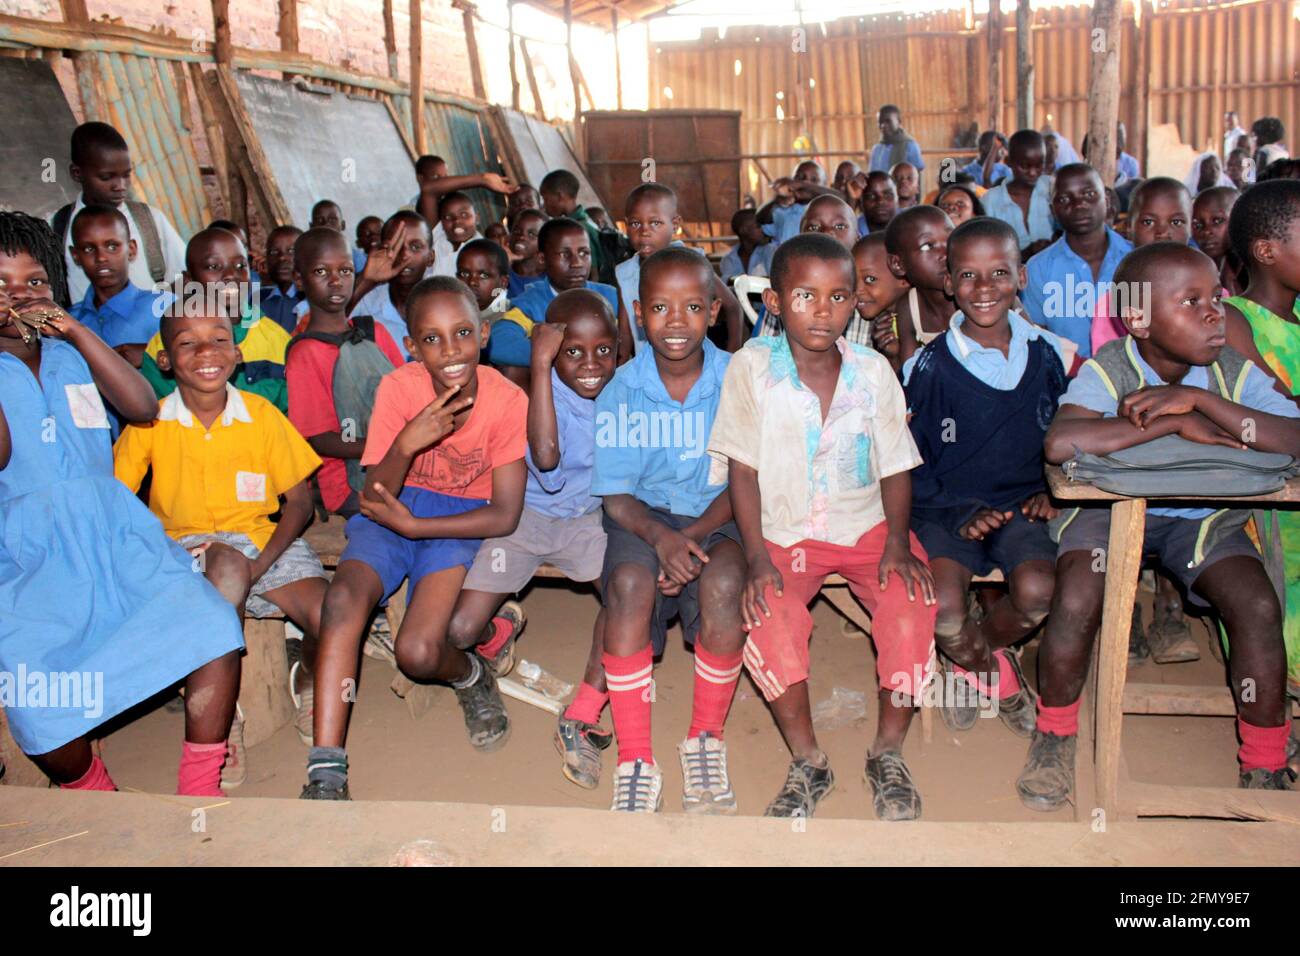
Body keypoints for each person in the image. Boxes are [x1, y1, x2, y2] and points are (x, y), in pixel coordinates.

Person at [1020, 241, 1300, 809]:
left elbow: (1294, 437)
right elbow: (1061, 443)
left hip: (1199, 522)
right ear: (1139, 319)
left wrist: (1196, 399)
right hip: (1108, 513)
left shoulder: (1228, 370)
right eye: (1191, 302)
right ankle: (1055, 732)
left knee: (1257, 604)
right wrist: (1169, 425)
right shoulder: (1111, 368)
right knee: (1077, 596)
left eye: (1216, 297)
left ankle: (1265, 760)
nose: (1214, 313)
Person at [0, 211, 242, 797]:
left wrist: (76, 333)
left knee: (212, 628)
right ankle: (96, 794)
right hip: (30, 559)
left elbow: (141, 406)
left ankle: (200, 785)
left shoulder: (72, 354)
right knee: (35, 707)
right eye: (1, 285)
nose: (19, 295)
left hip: (114, 535)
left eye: (34, 281)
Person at [709, 232, 936, 819]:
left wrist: (896, 542)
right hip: (783, 532)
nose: (823, 310)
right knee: (769, 616)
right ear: (775, 302)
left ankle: (888, 752)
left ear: (855, 302)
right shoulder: (751, 368)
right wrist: (757, 558)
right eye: (805, 295)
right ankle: (809, 761)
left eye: (838, 296)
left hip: (866, 525)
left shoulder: (873, 372)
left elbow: (895, 466)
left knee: (910, 603)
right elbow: (742, 472)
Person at [301, 276, 528, 799]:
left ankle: (470, 675)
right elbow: (374, 493)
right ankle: (326, 771)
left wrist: (418, 527)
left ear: (484, 334)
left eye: (463, 333)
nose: (450, 350)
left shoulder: (506, 400)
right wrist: (406, 443)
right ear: (411, 346)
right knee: (342, 602)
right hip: (390, 509)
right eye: (431, 338)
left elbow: (505, 514)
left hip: (457, 519)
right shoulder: (400, 389)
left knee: (419, 653)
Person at [114, 304, 329, 778]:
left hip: (259, 541)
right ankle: (221, 718)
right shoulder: (151, 422)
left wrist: (260, 566)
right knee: (213, 585)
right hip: (186, 549)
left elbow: (299, 504)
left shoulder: (261, 414)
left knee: (329, 614)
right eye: (187, 343)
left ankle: (309, 683)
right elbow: (115, 501)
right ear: (165, 359)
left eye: (219, 339)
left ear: (237, 352)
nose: (206, 352)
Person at [591, 247, 748, 813]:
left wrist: (694, 536)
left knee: (725, 584)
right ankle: (635, 758)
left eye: (692, 307)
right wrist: (662, 539)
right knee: (629, 585)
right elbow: (615, 495)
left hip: (720, 514)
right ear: (638, 314)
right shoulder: (622, 389)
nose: (676, 321)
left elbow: (746, 481)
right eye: (660, 307)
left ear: (714, 310)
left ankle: (705, 738)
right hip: (644, 516)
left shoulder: (740, 381)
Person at [448, 290, 619, 789]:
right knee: (460, 631)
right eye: (572, 352)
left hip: (586, 521)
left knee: (626, 600)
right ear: (548, 351)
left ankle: (582, 713)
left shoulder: (621, 396)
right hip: (523, 520)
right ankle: (497, 630)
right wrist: (540, 368)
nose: (591, 364)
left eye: (603, 350)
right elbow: (545, 458)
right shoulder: (529, 395)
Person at [902, 217, 1065, 737]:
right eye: (968, 275)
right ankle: (995, 674)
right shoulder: (927, 367)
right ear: (949, 283)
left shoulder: (1049, 355)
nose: (984, 287)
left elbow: (1066, 435)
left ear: (1021, 276)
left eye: (999, 272)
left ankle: (970, 660)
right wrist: (957, 510)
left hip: (1021, 507)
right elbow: (906, 460)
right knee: (945, 612)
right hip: (947, 510)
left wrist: (1052, 489)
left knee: (1038, 591)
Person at [1222, 181, 1300, 756]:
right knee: (1272, 623)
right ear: (1267, 250)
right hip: (1267, 530)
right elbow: (1274, 416)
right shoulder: (1233, 321)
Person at [284, 228, 404, 521]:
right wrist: (391, 448)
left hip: (396, 459)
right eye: (321, 271)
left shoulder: (374, 332)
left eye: (346, 270)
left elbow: (408, 395)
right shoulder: (305, 353)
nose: (336, 281)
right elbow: (319, 439)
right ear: (299, 279)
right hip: (345, 482)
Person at [140, 227, 291, 412]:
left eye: (240, 266)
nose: (230, 275)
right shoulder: (163, 346)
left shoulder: (277, 341)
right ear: (189, 280)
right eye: (213, 267)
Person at [51, 122, 187, 303]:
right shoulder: (58, 227)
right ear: (77, 173)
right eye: (107, 177)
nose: (120, 186)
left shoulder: (149, 221)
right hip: (86, 320)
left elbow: (184, 277)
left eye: (126, 175)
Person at [614, 183, 742, 359]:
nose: (644, 232)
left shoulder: (693, 264)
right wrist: (621, 369)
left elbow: (733, 307)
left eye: (655, 223)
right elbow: (625, 333)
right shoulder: (625, 273)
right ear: (626, 225)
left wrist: (732, 357)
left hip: (694, 364)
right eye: (635, 223)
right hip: (648, 368)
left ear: (674, 224)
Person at [1021, 163, 1132, 359]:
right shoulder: (1038, 269)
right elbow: (1037, 338)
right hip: (1067, 376)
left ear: (1106, 201)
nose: (1078, 204)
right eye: (1064, 199)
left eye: (1089, 194)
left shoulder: (1137, 260)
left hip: (1135, 375)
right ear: (1052, 210)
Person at [487, 219, 619, 373]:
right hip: (554, 384)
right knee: (512, 370)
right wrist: (559, 353)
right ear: (542, 259)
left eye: (584, 253)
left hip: (608, 379)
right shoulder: (531, 303)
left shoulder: (610, 297)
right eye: (564, 254)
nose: (577, 263)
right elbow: (497, 343)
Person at [67, 204, 169, 370]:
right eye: (88, 249)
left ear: (131, 249)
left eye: (112, 246)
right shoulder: (69, 321)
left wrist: (150, 354)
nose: (101, 257)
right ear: (75, 256)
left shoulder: (165, 306)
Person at [348, 210, 434, 349]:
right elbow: (326, 333)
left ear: (431, 257)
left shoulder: (447, 299)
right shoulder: (366, 301)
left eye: (415, 247)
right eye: (395, 247)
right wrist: (366, 280)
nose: (404, 255)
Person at [885, 204, 955, 366]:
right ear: (898, 264)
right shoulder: (909, 307)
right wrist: (893, 356)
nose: (945, 254)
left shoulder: (977, 294)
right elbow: (910, 373)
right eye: (928, 246)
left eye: (950, 239)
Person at [981, 130, 1056, 255]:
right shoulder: (991, 201)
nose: (1033, 173)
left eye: (1039, 166)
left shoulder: (1052, 189)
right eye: (1025, 166)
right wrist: (1026, 253)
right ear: (1008, 162)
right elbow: (987, 249)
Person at [539, 169, 611, 283]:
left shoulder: (579, 229)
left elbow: (593, 274)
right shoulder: (586, 220)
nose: (544, 205)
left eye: (546, 199)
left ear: (559, 196)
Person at [857, 231, 912, 367]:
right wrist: (892, 357)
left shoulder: (925, 321)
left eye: (870, 279)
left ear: (904, 279)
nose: (856, 290)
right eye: (852, 279)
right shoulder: (874, 323)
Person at [1192, 186, 1247, 297]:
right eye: (1197, 225)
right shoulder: (1196, 272)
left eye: (1217, 221)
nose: (1206, 231)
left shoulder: (1256, 272)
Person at [258, 224, 304, 333]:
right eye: (274, 252)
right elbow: (246, 335)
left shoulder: (312, 300)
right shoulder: (259, 298)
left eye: (292, 251)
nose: (282, 257)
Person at [720, 208, 775, 283]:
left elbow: (774, 279)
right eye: (758, 226)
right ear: (743, 230)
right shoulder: (729, 258)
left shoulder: (770, 251)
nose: (764, 230)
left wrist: (741, 280)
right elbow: (726, 281)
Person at [869, 105, 926, 178]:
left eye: (888, 121)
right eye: (880, 122)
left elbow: (918, 174)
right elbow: (872, 175)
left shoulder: (910, 146)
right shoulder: (877, 149)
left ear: (899, 122)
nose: (883, 125)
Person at [506, 208, 548, 298]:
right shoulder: (501, 274)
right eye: (517, 231)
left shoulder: (552, 277)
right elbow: (493, 302)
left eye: (532, 234)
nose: (521, 237)